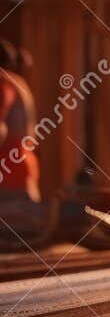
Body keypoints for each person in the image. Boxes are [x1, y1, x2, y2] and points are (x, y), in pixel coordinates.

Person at [0, 40, 53, 245]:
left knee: (14, 222)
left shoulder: (3, 83)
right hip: (22, 164)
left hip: (9, 170)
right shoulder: (17, 82)